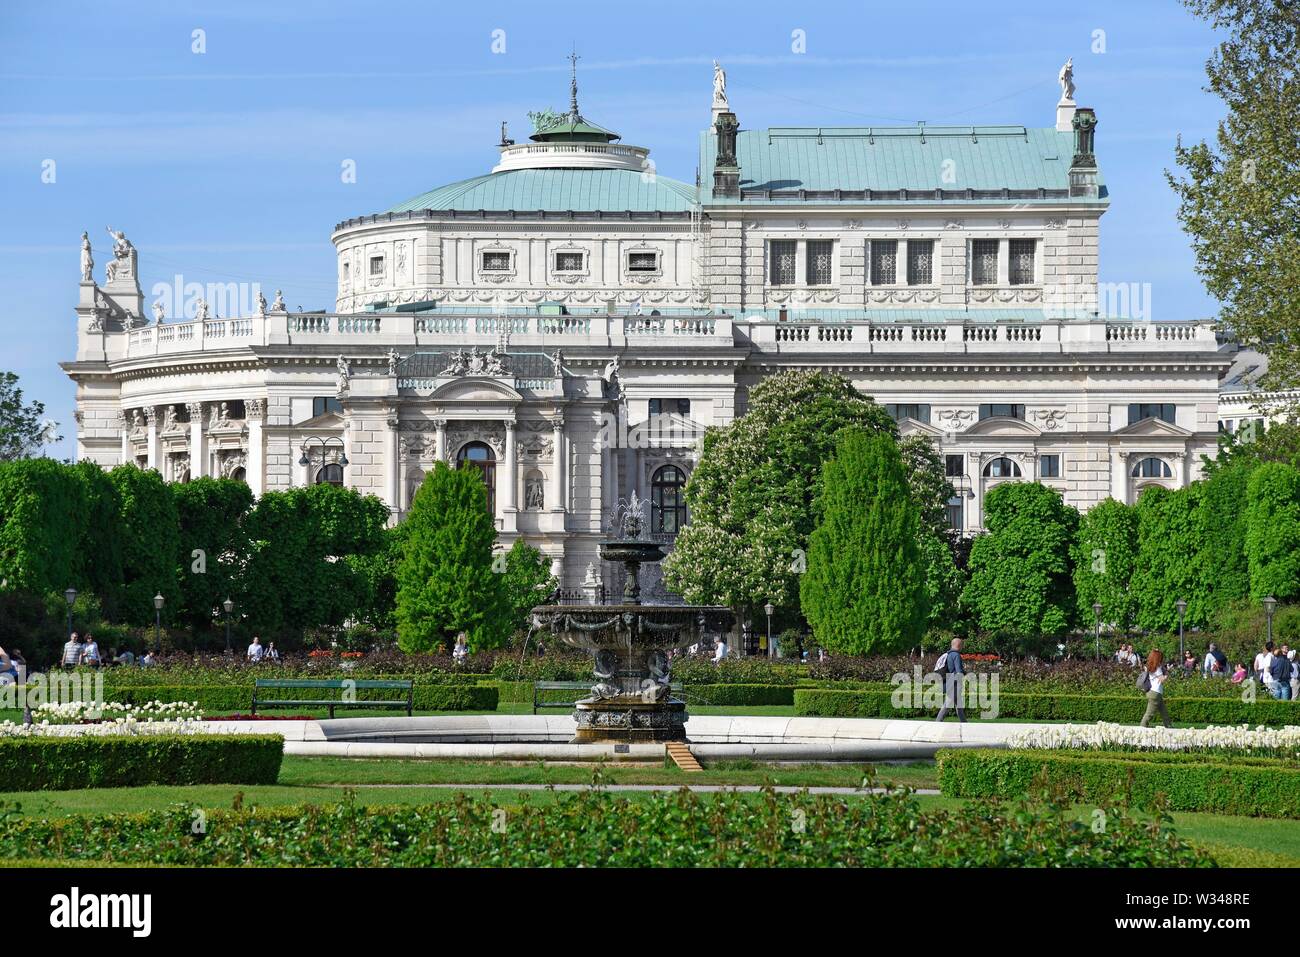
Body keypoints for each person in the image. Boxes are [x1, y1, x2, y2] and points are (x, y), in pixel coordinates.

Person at [935, 637, 967, 723]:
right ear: (959, 645)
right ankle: (937, 722)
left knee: (958, 704)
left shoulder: (948, 655)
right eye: (962, 645)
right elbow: (958, 671)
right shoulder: (956, 655)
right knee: (948, 704)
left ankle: (964, 723)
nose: (962, 647)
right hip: (955, 683)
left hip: (949, 681)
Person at [1139, 649, 1173, 728]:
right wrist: (1167, 674)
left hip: (1154, 692)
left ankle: (1168, 725)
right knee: (1149, 713)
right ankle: (1142, 727)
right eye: (1160, 657)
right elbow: (1162, 679)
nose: (1162, 658)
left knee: (1163, 711)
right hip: (1155, 693)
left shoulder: (1151, 667)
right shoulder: (1157, 668)